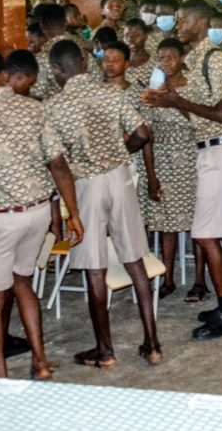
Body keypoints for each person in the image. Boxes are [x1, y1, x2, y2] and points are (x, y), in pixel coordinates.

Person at [0, 50, 84, 380]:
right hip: (36, 213)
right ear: (5, 75)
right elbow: (59, 165)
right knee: (24, 283)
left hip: (1, 218)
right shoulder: (34, 109)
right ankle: (40, 362)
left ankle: (0, 377)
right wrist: (73, 214)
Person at [44, 40, 161, 367]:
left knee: (95, 269)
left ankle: (104, 350)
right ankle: (152, 343)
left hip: (87, 185)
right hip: (121, 177)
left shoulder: (53, 107)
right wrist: (124, 151)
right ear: (85, 62)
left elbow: (57, 163)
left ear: (55, 69)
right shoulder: (111, 93)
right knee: (135, 258)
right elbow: (143, 132)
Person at [140, 0, 222, 341]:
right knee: (221, 230)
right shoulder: (196, 58)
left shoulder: (215, 60)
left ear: (200, 22)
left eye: (183, 18)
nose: (177, 23)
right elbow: (198, 116)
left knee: (203, 234)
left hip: (221, 150)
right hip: (206, 151)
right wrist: (169, 101)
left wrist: (177, 101)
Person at [131, 39, 196, 300]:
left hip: (190, 159)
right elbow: (147, 134)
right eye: (162, 58)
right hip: (160, 159)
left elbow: (201, 122)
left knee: (196, 223)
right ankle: (165, 277)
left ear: (182, 59)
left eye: (171, 57)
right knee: (164, 223)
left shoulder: (193, 86)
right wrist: (151, 175)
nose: (166, 62)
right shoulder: (151, 90)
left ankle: (199, 280)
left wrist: (175, 100)